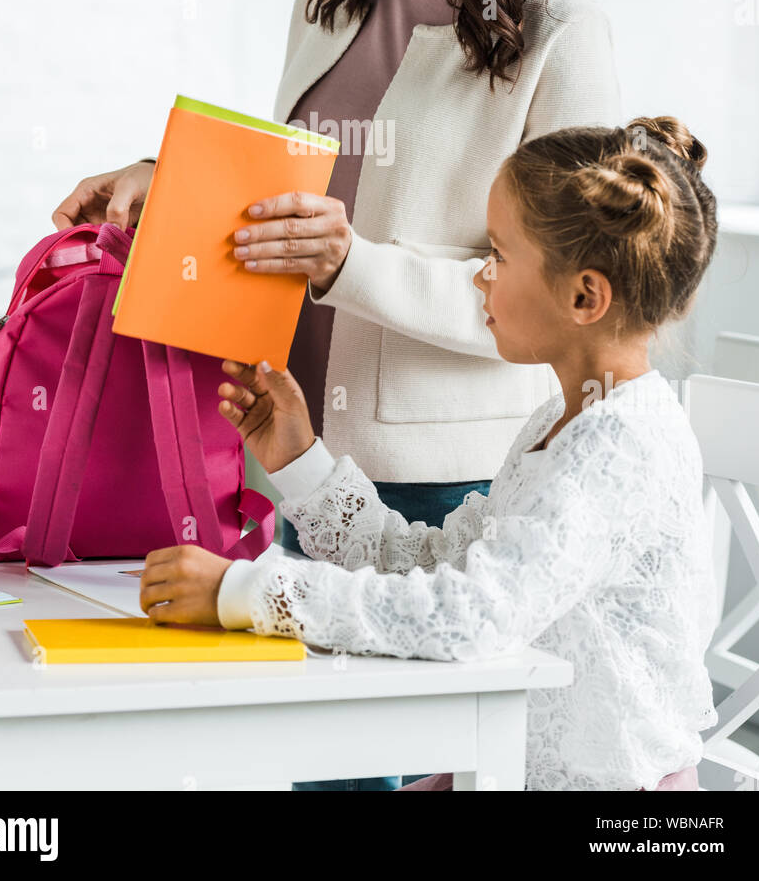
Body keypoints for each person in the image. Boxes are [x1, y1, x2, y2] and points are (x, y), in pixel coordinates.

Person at [53, 0, 622, 787]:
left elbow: (567, 303)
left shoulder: (563, 33)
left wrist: (353, 264)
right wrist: (165, 176)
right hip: (303, 455)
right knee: (306, 771)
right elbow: (300, 183)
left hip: (440, 485)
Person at [138, 115, 721, 792]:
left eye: (496, 257)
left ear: (583, 296)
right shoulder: (560, 422)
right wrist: (301, 459)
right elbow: (432, 564)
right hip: (511, 769)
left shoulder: (619, 447)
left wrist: (244, 592)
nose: (479, 280)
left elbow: (470, 614)